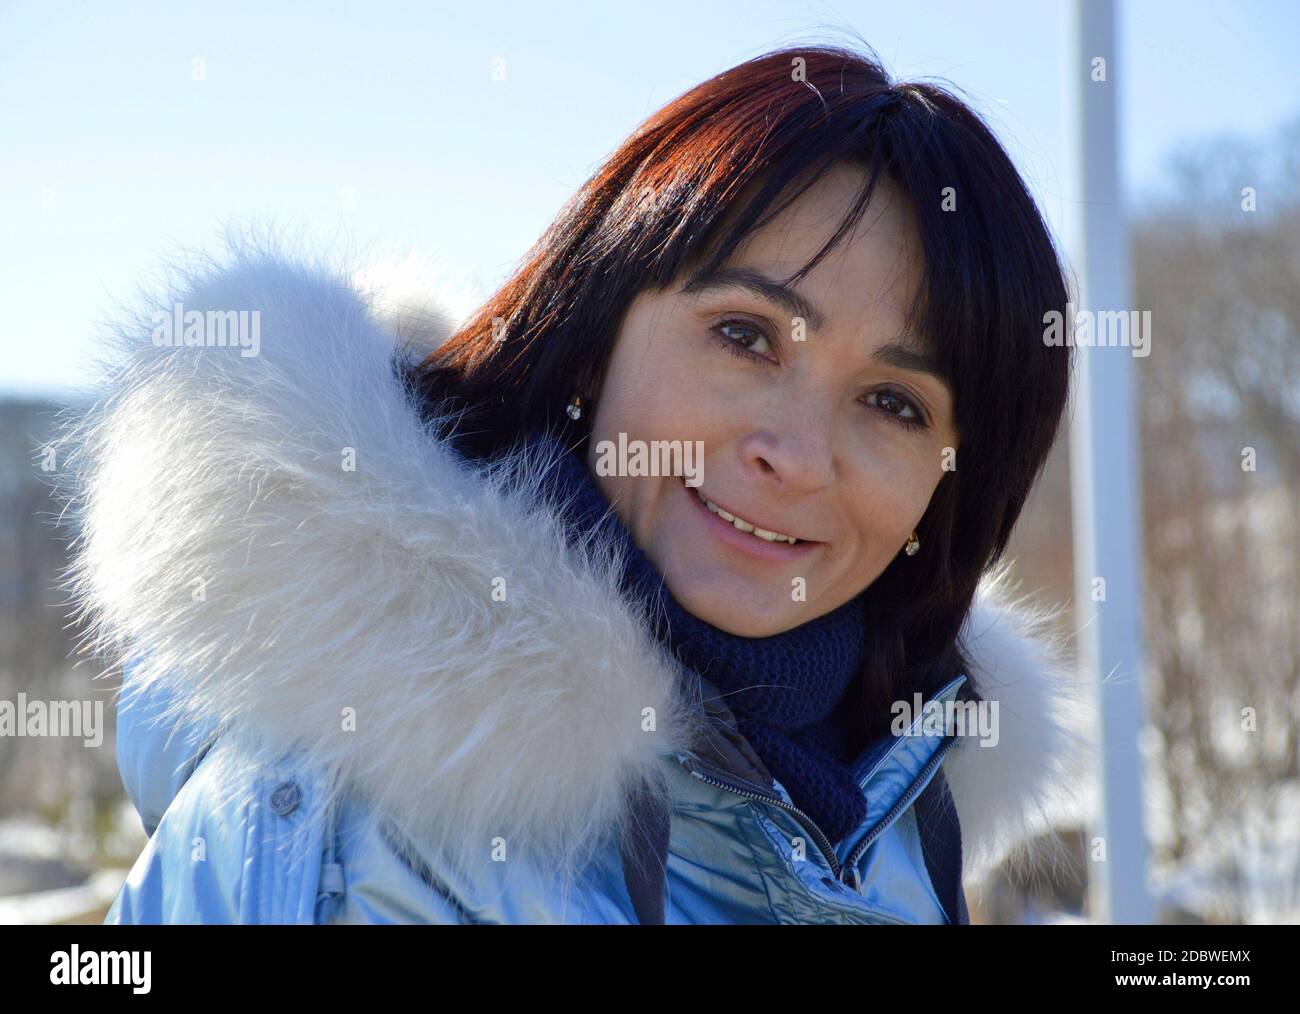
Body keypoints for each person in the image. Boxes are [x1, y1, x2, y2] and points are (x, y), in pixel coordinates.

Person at [59, 44, 1090, 924]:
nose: (798, 453)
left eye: (895, 405)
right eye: (745, 336)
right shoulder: (329, 817)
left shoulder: (909, 828)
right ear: (595, 336)